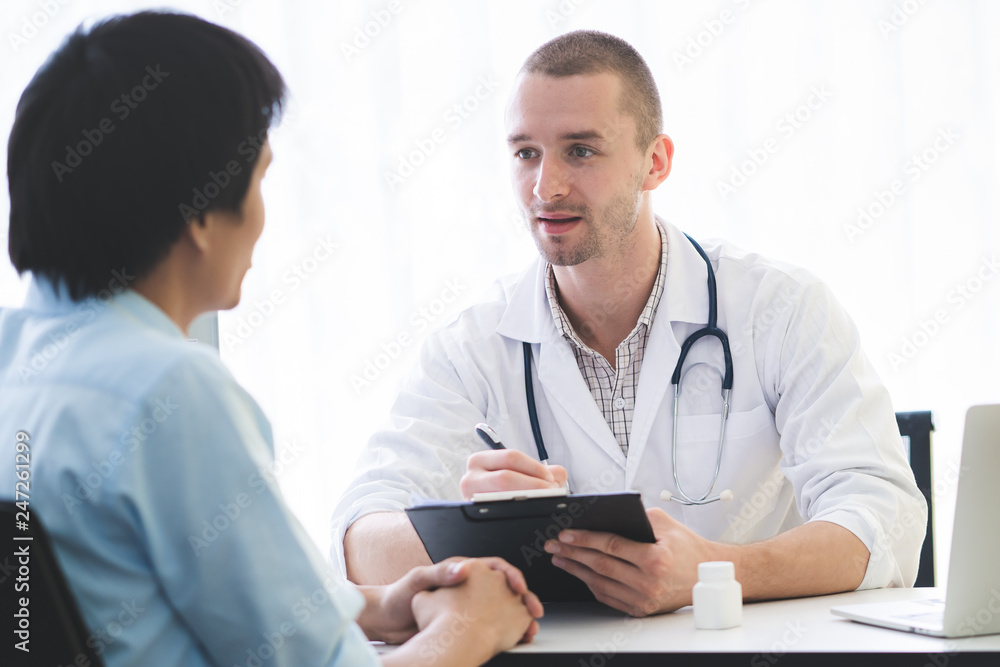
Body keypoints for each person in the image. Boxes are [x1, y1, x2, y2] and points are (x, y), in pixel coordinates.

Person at [0, 12, 540, 667]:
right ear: (199, 211)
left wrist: (371, 604)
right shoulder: (168, 391)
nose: (261, 218)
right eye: (259, 180)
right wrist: (470, 627)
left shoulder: (19, 364)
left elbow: (131, 594)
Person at [334, 30, 927, 617]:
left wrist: (716, 572)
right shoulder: (470, 346)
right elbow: (357, 537)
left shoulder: (783, 309)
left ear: (655, 162)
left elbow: (884, 519)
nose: (546, 187)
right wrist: (485, 535)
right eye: (526, 153)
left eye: (581, 150)